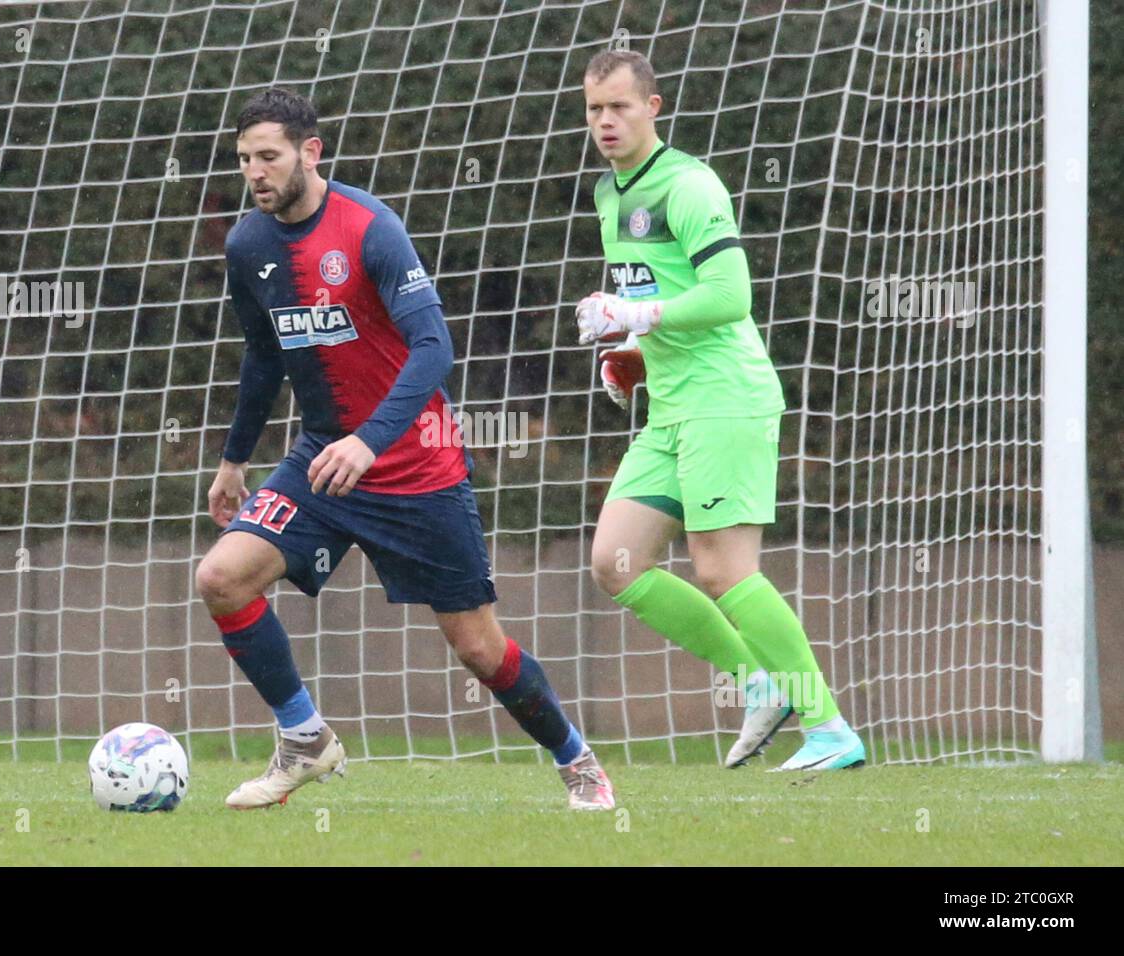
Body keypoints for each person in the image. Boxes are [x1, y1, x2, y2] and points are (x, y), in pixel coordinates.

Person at [194, 88, 616, 810]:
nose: (255, 172)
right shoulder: (248, 247)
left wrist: (370, 440)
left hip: (418, 465)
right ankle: (305, 740)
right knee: (222, 578)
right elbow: (263, 356)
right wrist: (234, 458)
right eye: (244, 160)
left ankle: (577, 761)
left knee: (480, 650)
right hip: (325, 461)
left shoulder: (370, 228)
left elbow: (434, 348)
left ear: (310, 152)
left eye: (269, 156)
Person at [577, 51, 865, 771]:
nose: (606, 121)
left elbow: (731, 296)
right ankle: (760, 682)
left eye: (620, 106)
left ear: (654, 107)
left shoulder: (689, 184)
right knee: (616, 562)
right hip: (673, 407)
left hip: (726, 402)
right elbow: (673, 301)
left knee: (724, 571)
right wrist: (634, 351)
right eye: (594, 110)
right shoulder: (608, 195)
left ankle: (829, 729)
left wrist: (635, 312)